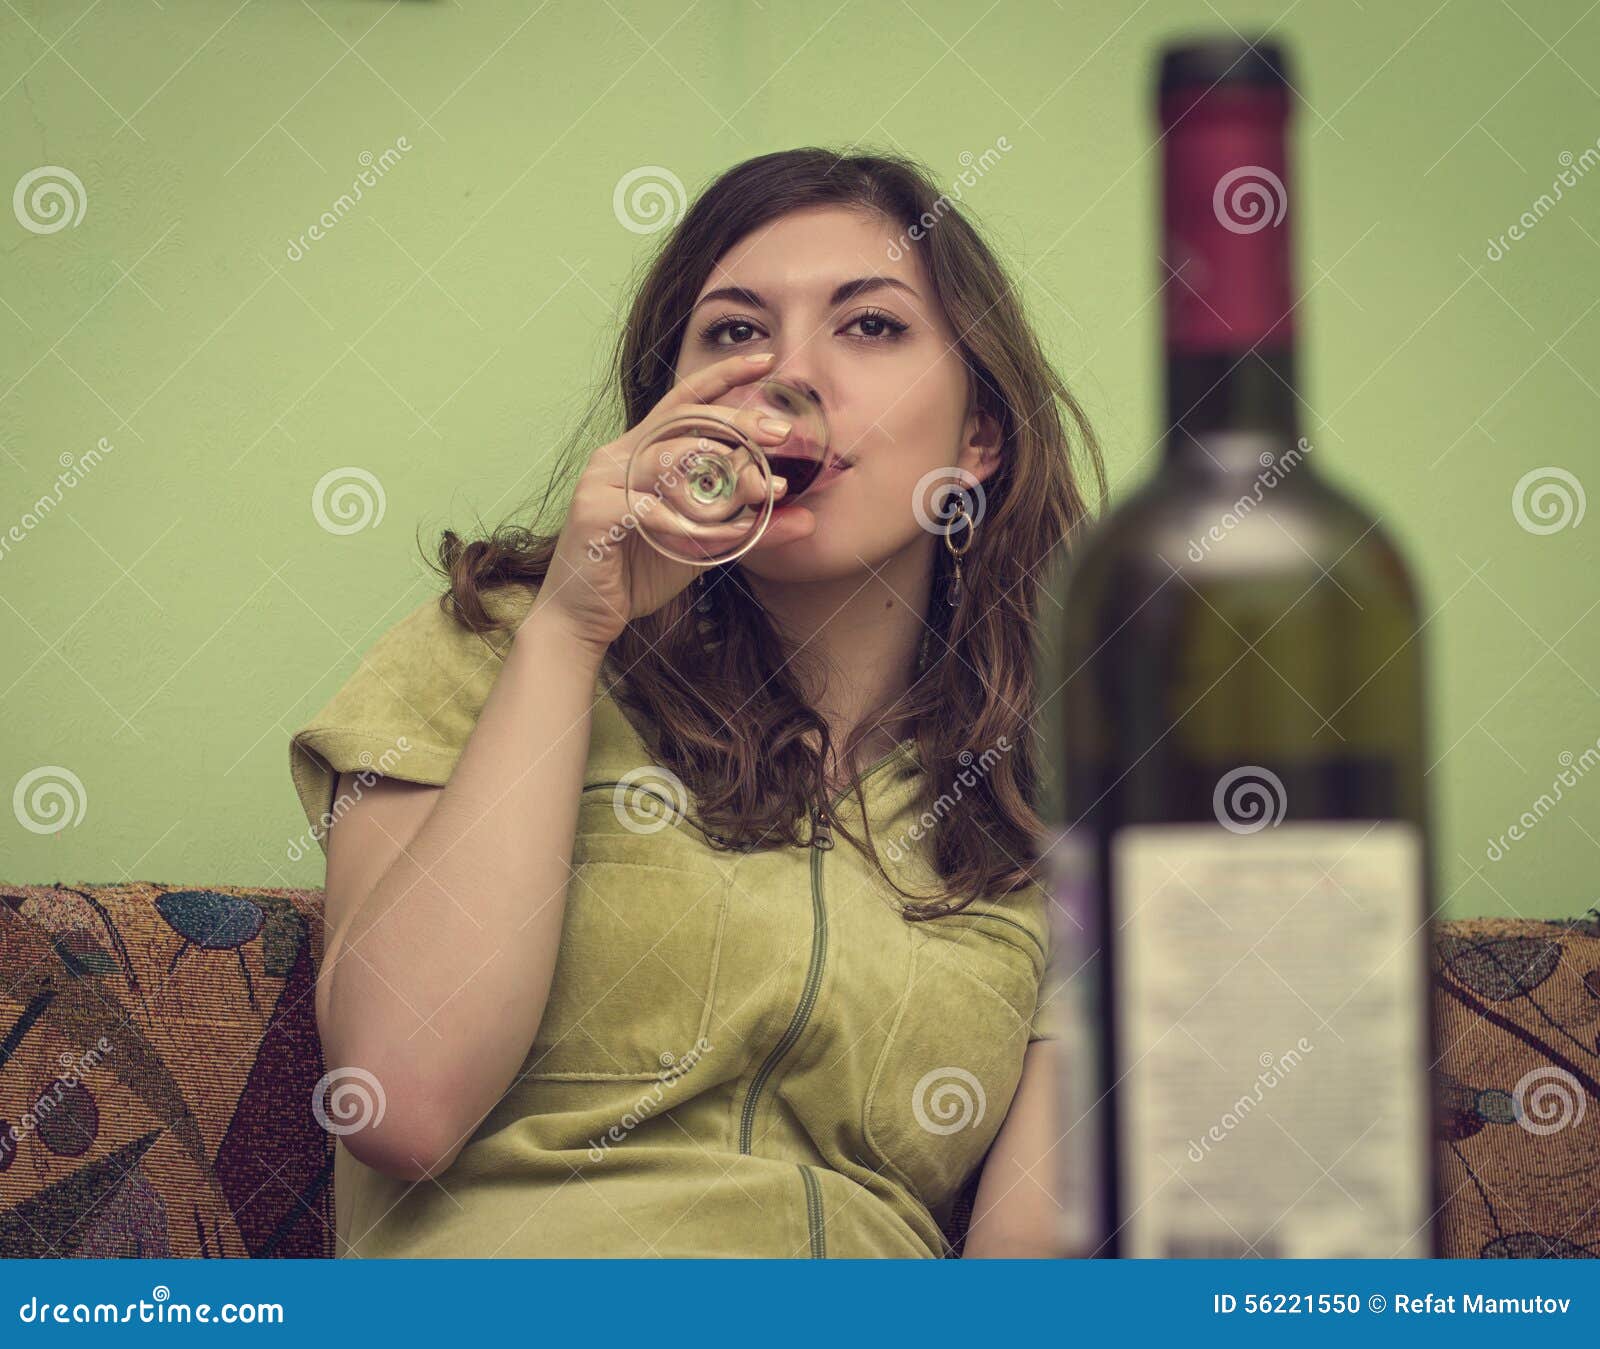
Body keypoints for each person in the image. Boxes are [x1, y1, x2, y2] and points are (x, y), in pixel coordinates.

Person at [288, 146, 1105, 1258]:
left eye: (870, 325)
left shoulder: (1045, 802)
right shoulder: (494, 643)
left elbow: (1026, 1279)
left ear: (979, 439)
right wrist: (570, 630)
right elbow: (398, 1102)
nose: (788, 375)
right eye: (733, 331)